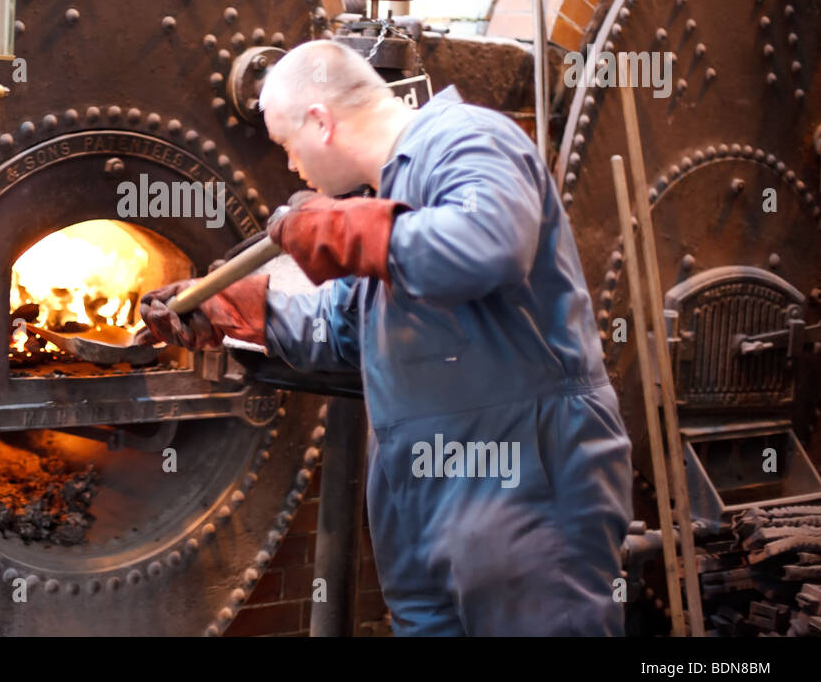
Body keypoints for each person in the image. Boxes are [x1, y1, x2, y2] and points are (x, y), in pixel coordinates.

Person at [135, 39, 633, 636]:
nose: (293, 167)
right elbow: (342, 330)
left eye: (288, 145)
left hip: (521, 476)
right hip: (419, 489)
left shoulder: (470, 139)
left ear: (320, 122)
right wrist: (227, 311)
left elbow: (483, 245)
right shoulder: (381, 200)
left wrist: (337, 229)